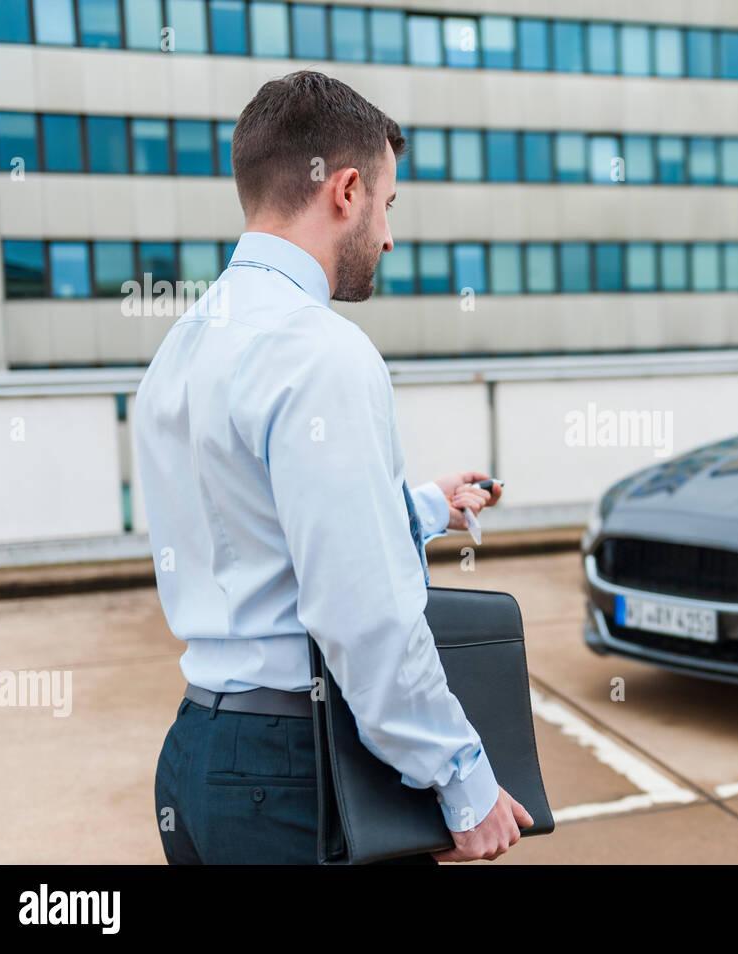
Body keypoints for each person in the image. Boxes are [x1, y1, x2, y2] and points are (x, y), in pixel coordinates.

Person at [135, 70, 532, 864]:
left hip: (197, 757)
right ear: (345, 191)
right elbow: (362, 614)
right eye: (389, 204)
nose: (388, 236)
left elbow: (251, 525)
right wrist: (463, 778)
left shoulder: (184, 344)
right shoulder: (321, 353)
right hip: (292, 773)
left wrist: (421, 507)